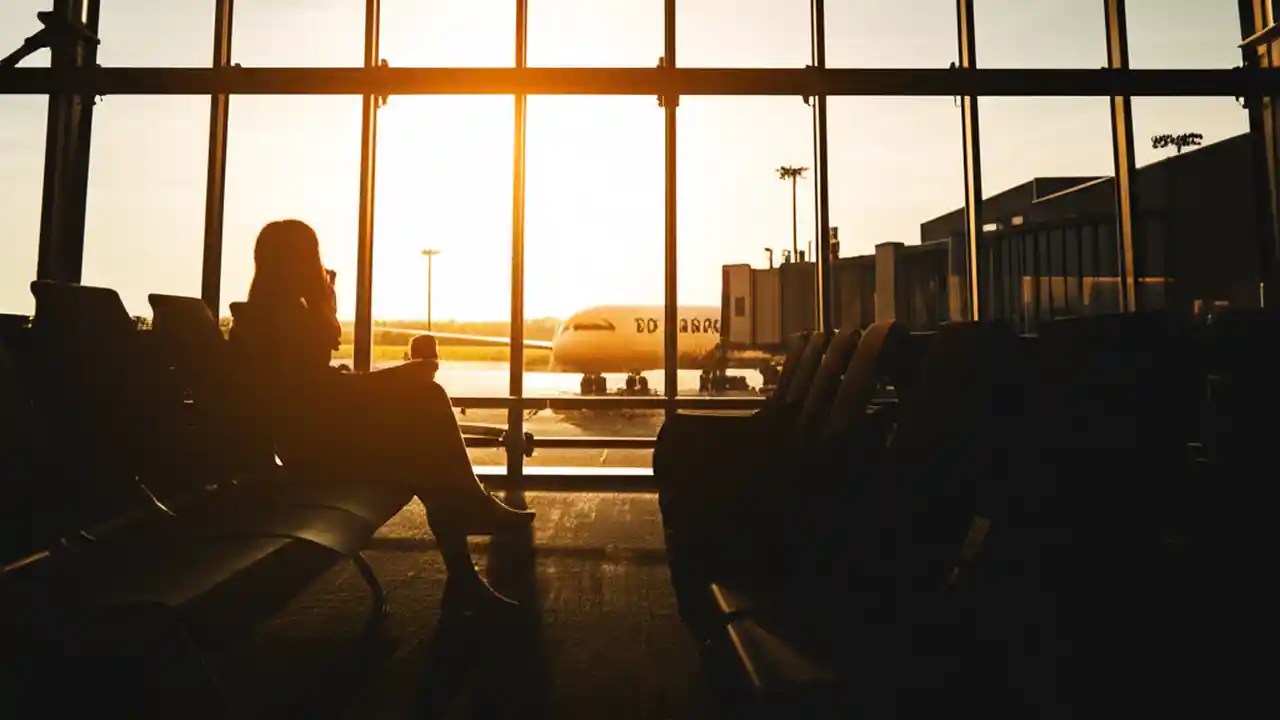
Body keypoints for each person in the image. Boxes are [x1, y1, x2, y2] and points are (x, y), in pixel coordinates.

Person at [228, 219, 533, 614]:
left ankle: (465, 560)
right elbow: (316, 390)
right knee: (427, 420)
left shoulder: (269, 313)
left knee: (425, 424)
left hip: (309, 442)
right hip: (313, 454)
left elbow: (314, 388)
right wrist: (393, 376)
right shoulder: (279, 318)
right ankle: (467, 543)